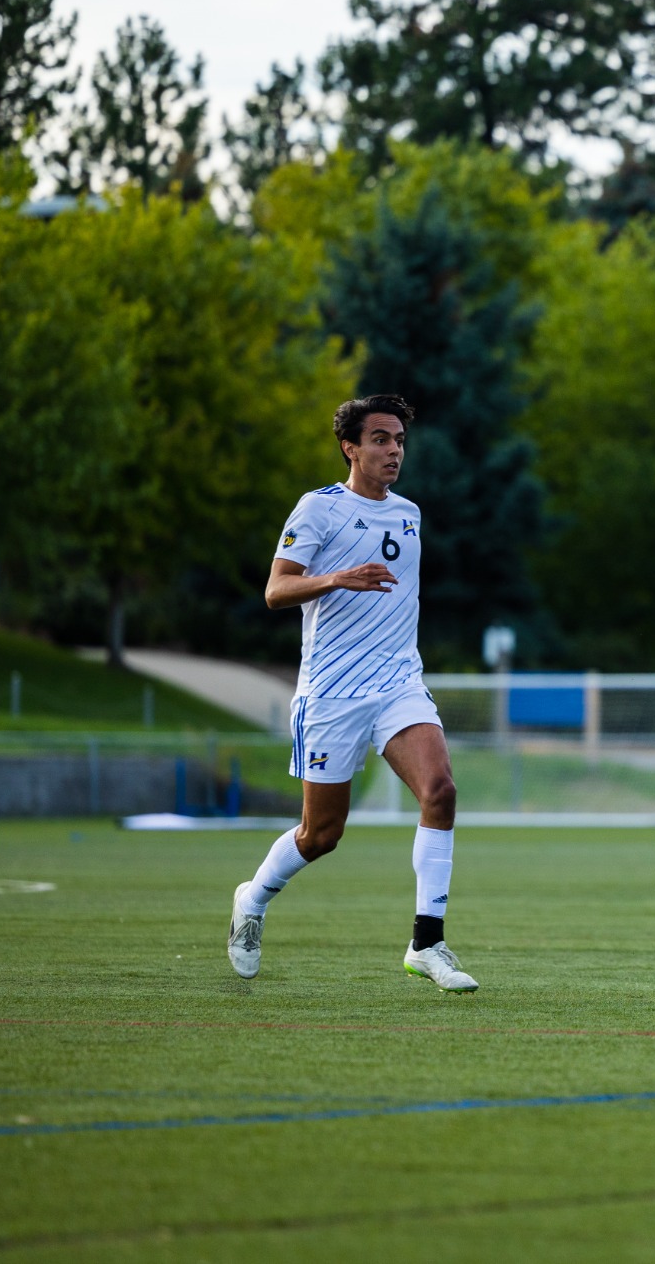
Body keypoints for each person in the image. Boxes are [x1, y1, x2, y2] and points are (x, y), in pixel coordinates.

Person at [225, 393, 476, 992]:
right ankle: (252, 900)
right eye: (381, 440)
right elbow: (275, 592)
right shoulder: (318, 509)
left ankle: (427, 942)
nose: (394, 452)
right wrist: (338, 577)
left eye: (399, 441)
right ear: (351, 448)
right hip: (332, 693)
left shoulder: (410, 513)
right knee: (322, 835)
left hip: (397, 684)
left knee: (440, 792)